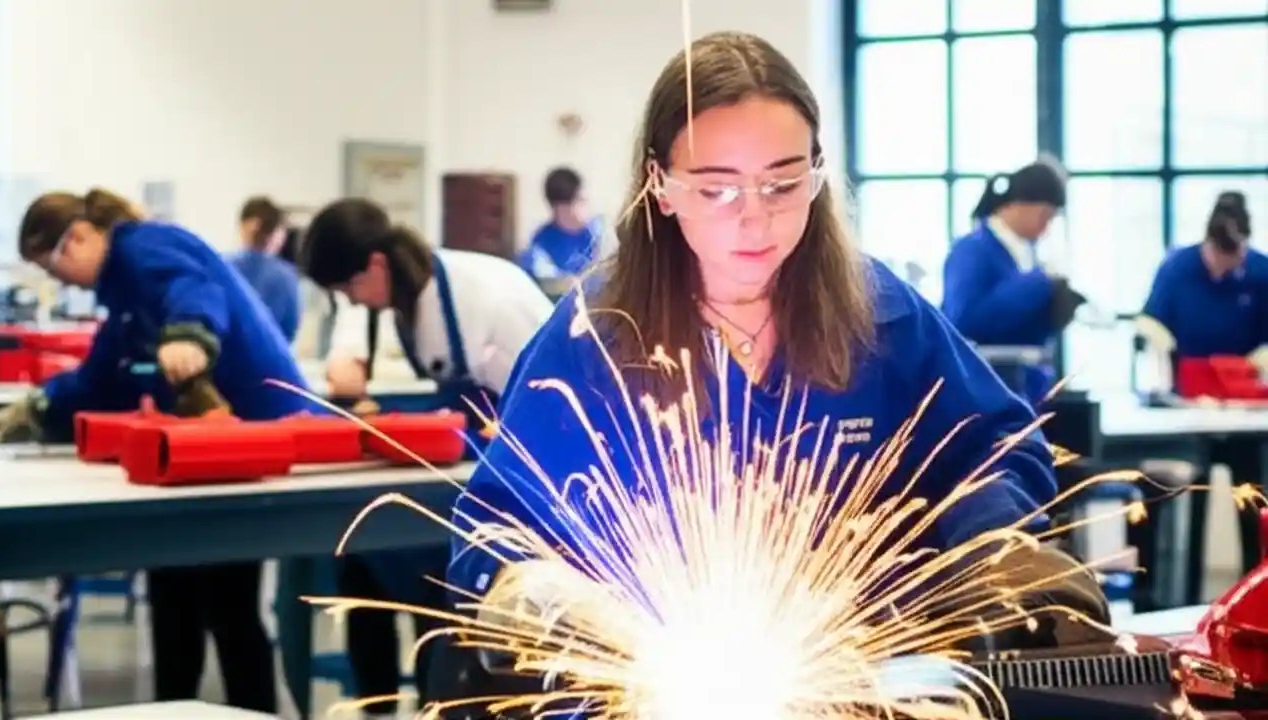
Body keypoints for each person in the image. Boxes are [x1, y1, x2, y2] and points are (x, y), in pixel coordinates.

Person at [444, 31, 1106, 712]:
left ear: (818, 173)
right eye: (717, 190)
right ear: (660, 187)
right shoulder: (595, 337)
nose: (755, 218)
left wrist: (991, 542)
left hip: (871, 685)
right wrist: (543, 594)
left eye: (783, 183)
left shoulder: (880, 313)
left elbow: (991, 448)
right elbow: (497, 527)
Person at [0, 188, 310, 713]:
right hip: (205, 451)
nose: (59, 280)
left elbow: (193, 289)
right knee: (173, 589)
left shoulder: (144, 246)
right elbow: (102, 377)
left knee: (228, 604)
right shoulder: (122, 295)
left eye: (52, 266)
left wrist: (189, 335)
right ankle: (172, 706)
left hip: (252, 438)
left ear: (77, 239)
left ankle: (253, 711)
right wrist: (41, 408)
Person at [297, 198, 554, 717]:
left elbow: (528, 411)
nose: (353, 301)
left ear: (375, 265)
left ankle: (436, 702)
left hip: (533, 456)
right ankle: (379, 705)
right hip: (473, 450)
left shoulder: (475, 295)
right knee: (362, 560)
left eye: (350, 288)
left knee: (429, 574)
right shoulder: (411, 294)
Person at [1138, 190, 1267, 577]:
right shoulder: (1177, 267)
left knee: (1250, 496)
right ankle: (1171, 583)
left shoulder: (1260, 272)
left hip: (1243, 402)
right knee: (1190, 492)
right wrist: (1160, 350)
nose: (1222, 268)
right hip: (1188, 403)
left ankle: (1254, 578)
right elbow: (1151, 321)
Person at [941, 159, 1086, 406]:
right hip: (987, 393)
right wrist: (1038, 283)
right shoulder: (972, 250)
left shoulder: (1027, 254)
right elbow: (962, 320)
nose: (1046, 226)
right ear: (1017, 205)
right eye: (1043, 215)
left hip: (1028, 390)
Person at [517, 167, 602, 297]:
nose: (586, 208)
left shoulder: (598, 233)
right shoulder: (540, 249)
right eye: (580, 201)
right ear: (561, 208)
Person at [232, 196, 301, 341]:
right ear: (279, 233)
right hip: (272, 357)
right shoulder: (286, 275)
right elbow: (290, 328)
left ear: (242, 226)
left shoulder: (223, 267)